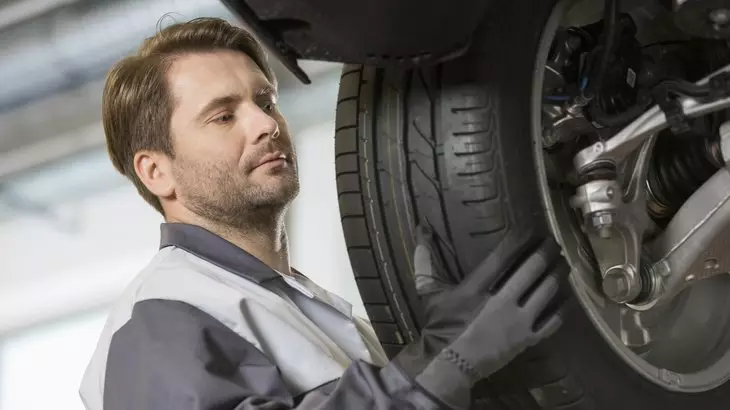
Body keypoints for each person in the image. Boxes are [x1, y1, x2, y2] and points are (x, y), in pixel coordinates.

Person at [79, 17, 568, 410]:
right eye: (224, 116)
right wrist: (446, 360)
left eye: (266, 101)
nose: (267, 124)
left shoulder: (301, 305)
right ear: (156, 172)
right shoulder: (156, 323)